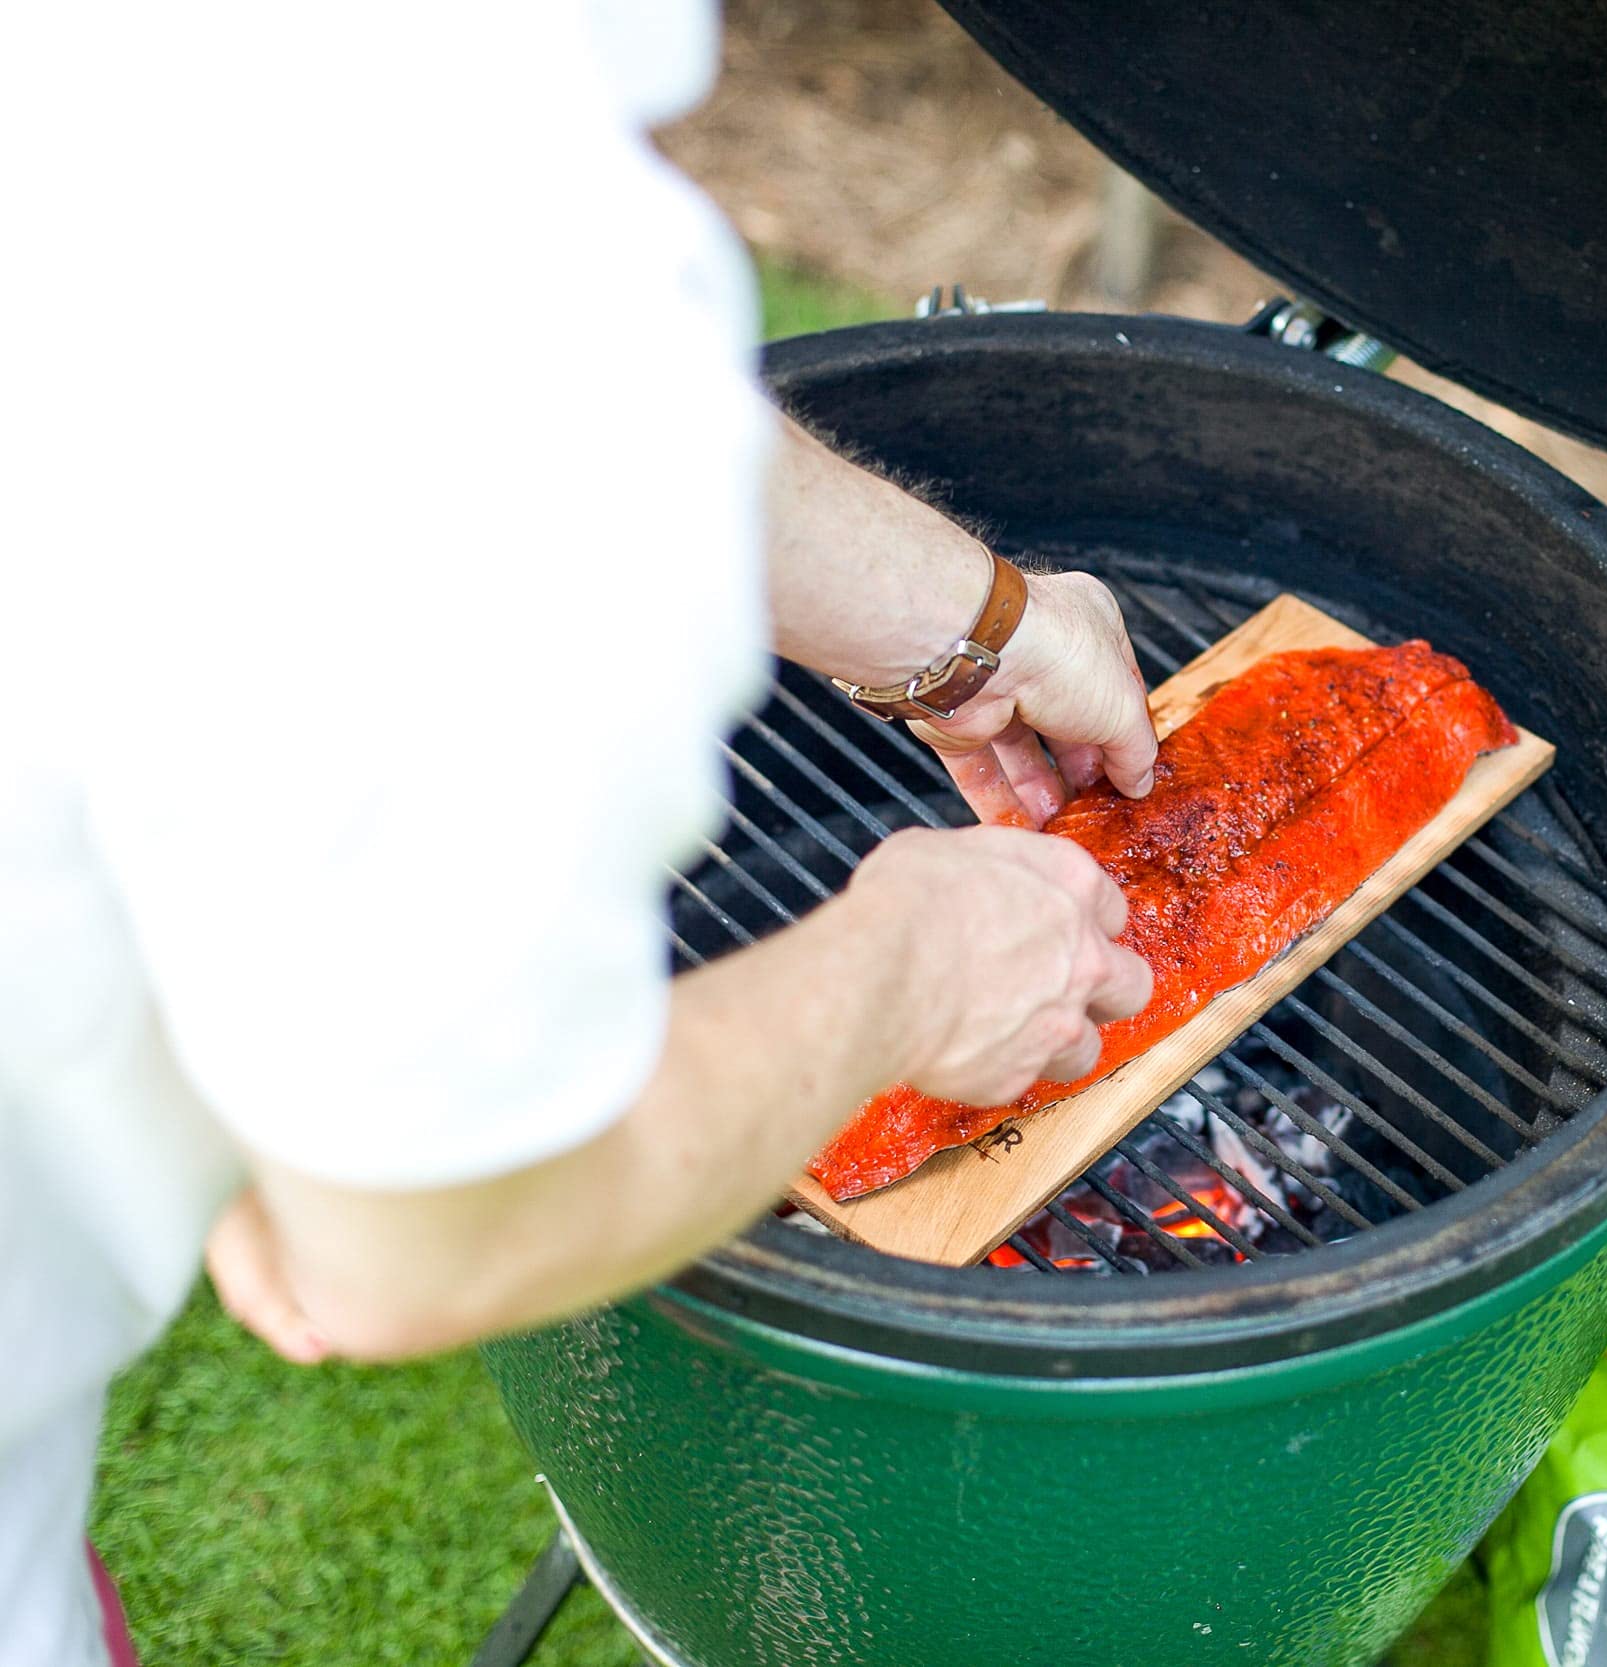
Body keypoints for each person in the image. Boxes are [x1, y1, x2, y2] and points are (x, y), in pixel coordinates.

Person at [0, 5, 1157, 1664]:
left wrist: (977, 630)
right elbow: (406, 1249)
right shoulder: (497, 330)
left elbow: (431, 292)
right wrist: (914, 966)